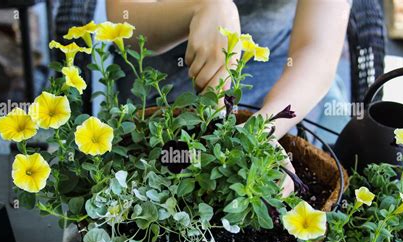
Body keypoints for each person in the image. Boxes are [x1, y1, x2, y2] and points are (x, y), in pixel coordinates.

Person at [106, 0, 351, 140]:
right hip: (162, 79)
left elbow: (315, 48)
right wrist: (200, 7)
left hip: (281, 78)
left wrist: (263, 131)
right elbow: (124, 18)